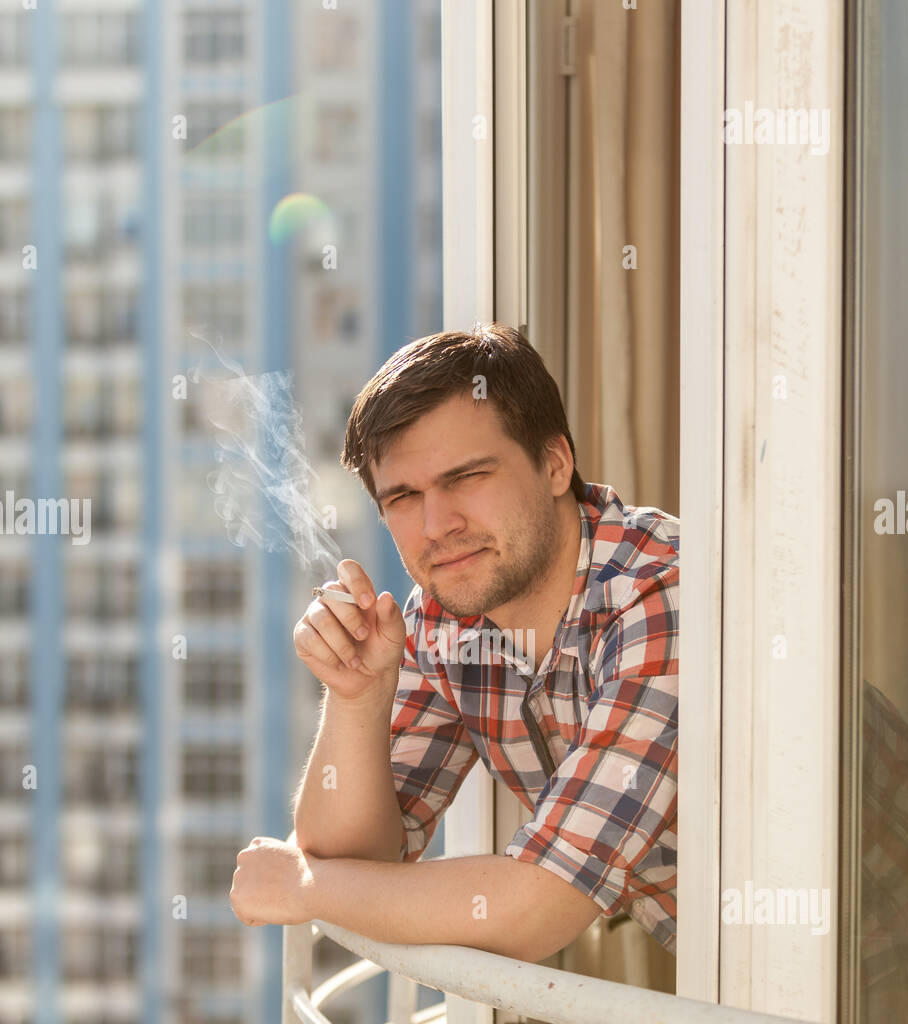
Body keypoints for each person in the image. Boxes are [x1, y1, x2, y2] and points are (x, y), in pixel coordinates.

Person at [230, 323, 679, 963]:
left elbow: (538, 906)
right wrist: (356, 697)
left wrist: (304, 885)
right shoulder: (447, 618)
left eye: (467, 477)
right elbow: (352, 860)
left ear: (555, 464)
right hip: (732, 968)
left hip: (856, 960)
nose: (438, 526)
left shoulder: (657, 595)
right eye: (405, 497)